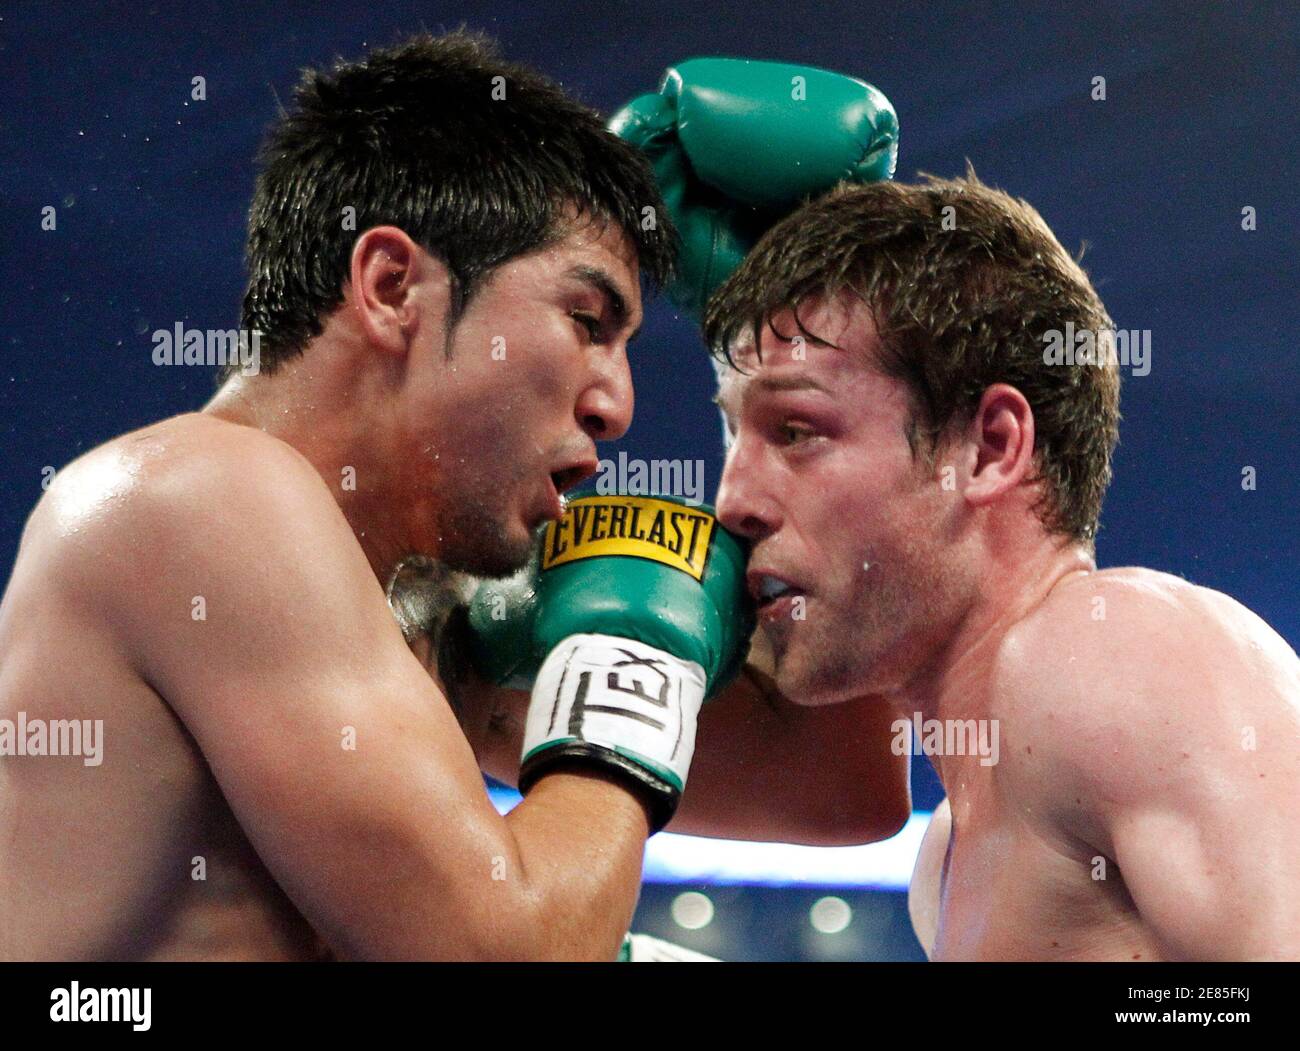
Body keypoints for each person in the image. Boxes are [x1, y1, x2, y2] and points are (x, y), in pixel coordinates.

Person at [0, 32, 907, 962]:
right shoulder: (199, 494)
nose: (618, 404)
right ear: (394, 287)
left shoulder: (420, 612)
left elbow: (842, 790)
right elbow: (499, 953)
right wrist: (631, 673)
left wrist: (770, 346)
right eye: (586, 321)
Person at [701, 174, 1300, 960]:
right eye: (732, 436)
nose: (731, 499)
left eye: (797, 429)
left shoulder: (1116, 648)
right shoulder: (943, 856)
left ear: (989, 449)